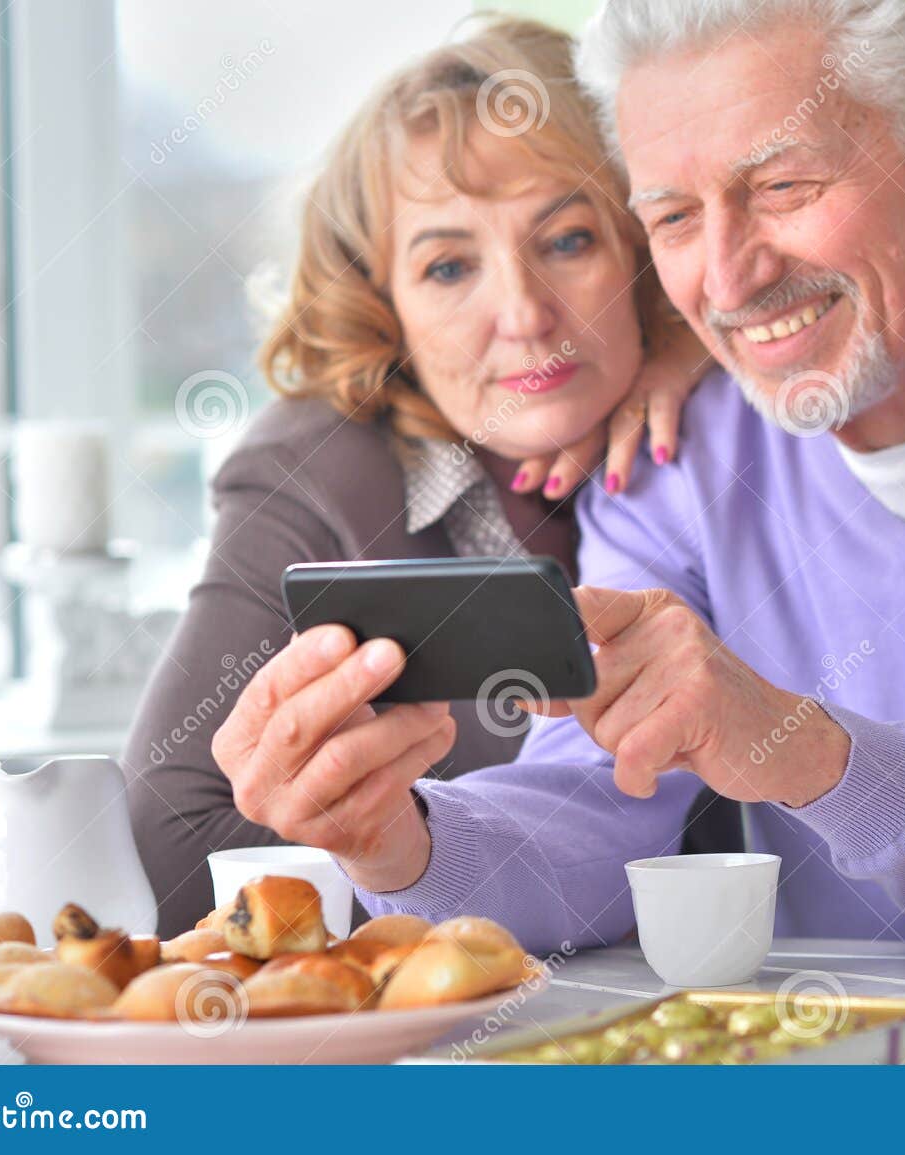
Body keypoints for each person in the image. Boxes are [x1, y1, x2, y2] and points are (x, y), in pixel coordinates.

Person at [211, 0, 905, 960]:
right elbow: (593, 828)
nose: (729, 281)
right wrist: (399, 840)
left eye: (782, 187)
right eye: (674, 218)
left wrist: (798, 749)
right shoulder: (673, 462)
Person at [122, 17, 708, 936]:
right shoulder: (319, 472)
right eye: (447, 266)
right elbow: (172, 850)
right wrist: (404, 845)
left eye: (567, 241)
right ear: (382, 305)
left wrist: (711, 353)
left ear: (643, 247)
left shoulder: (720, 436)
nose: (522, 312)